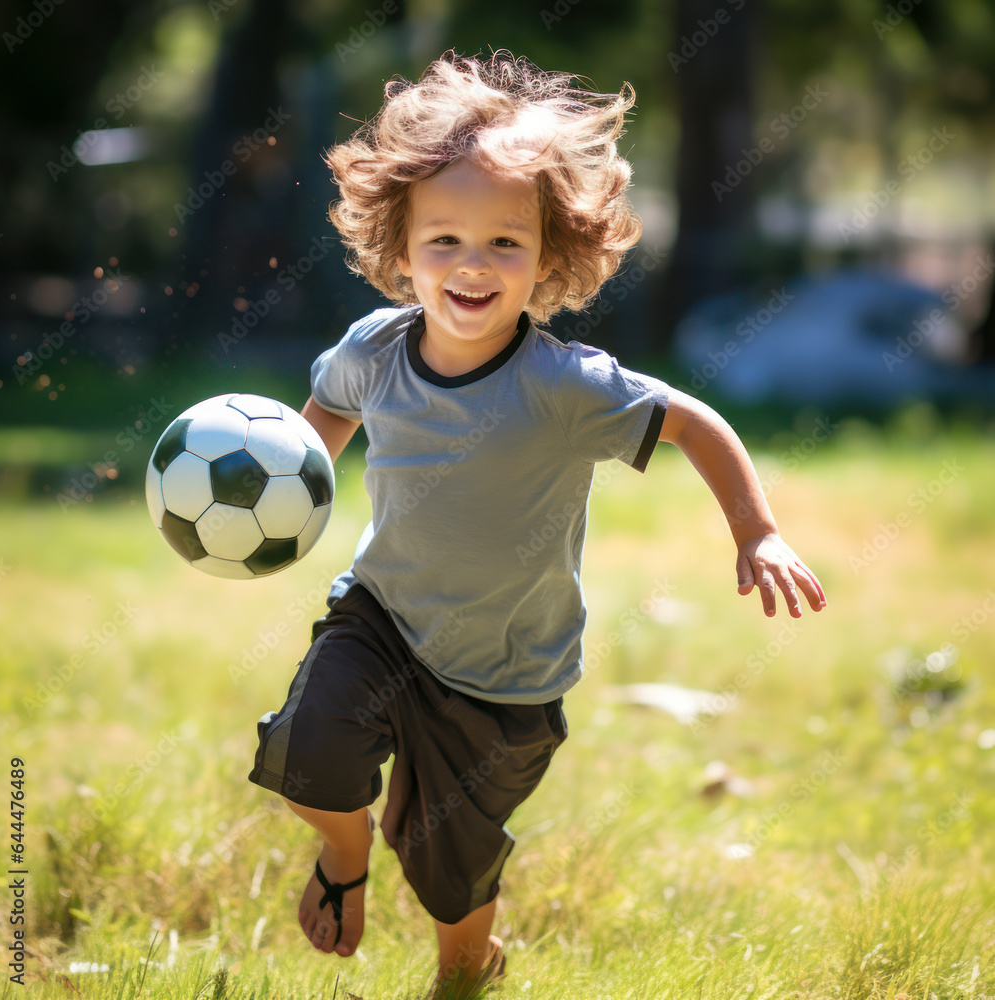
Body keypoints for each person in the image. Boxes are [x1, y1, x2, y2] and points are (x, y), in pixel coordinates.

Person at [247, 49, 826, 999]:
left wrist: (756, 530)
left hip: (506, 677)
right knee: (313, 750)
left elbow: (692, 421)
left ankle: (466, 968)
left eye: (504, 245)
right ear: (399, 250)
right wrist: (285, 489)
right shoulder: (373, 350)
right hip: (382, 616)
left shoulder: (565, 386)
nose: (472, 267)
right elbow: (328, 416)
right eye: (444, 242)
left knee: (448, 867)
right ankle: (342, 860)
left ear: (552, 256)